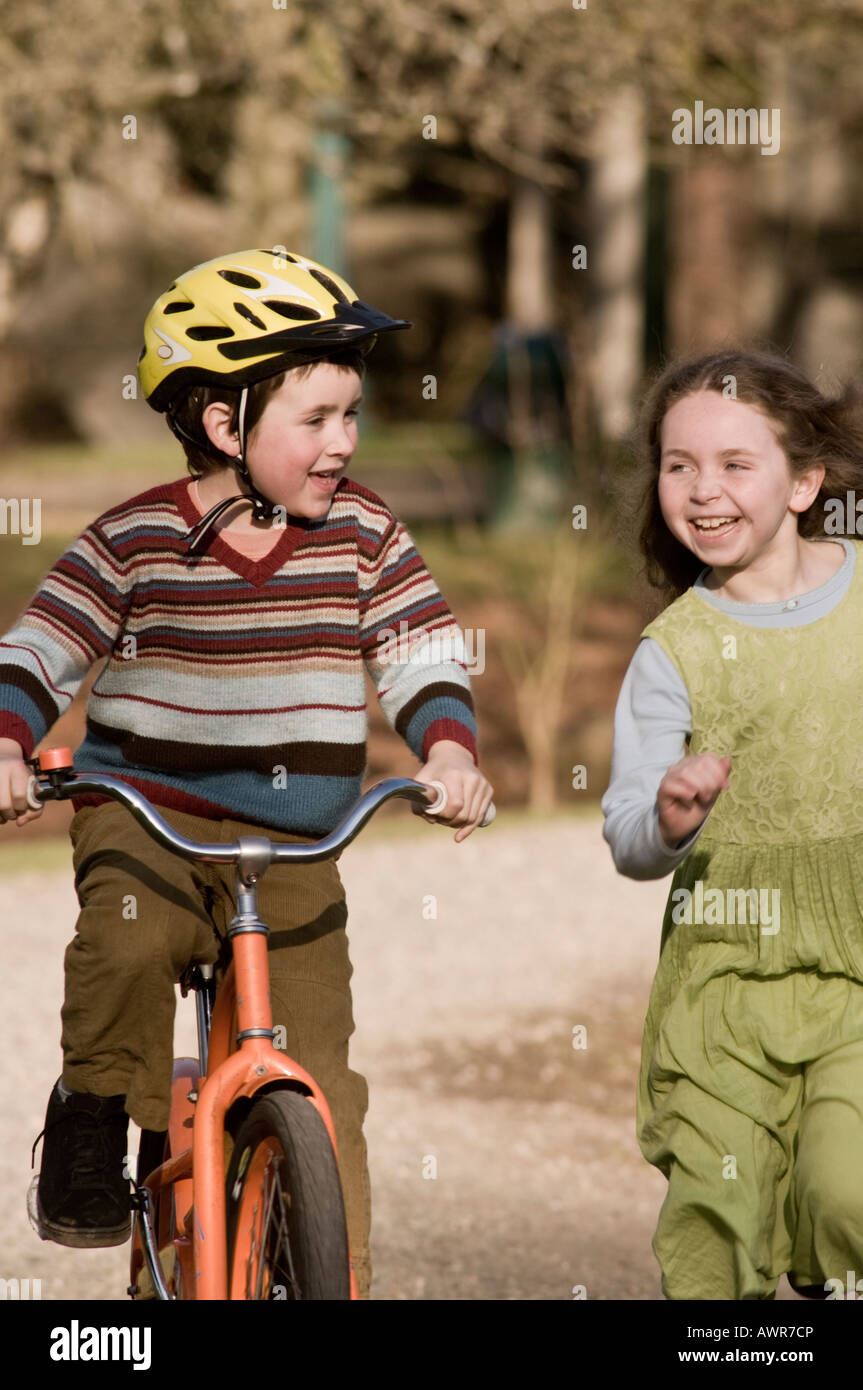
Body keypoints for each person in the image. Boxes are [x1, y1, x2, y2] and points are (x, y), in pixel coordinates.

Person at [0, 248, 494, 1301]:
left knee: (326, 1082)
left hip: (298, 846)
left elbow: (420, 649)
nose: (343, 444)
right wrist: (8, 739)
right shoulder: (134, 537)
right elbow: (39, 648)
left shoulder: (362, 533)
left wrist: (447, 747)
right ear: (224, 425)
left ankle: (334, 1273)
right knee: (126, 946)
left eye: (350, 416)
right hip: (152, 823)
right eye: (314, 419)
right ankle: (91, 1108)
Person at [601, 347, 863, 1301]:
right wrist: (668, 816)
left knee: (850, 1194)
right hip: (723, 986)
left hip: (858, 970)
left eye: (733, 465)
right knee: (716, 1226)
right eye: (678, 466)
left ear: (804, 482)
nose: (701, 491)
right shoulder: (673, 652)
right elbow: (627, 832)